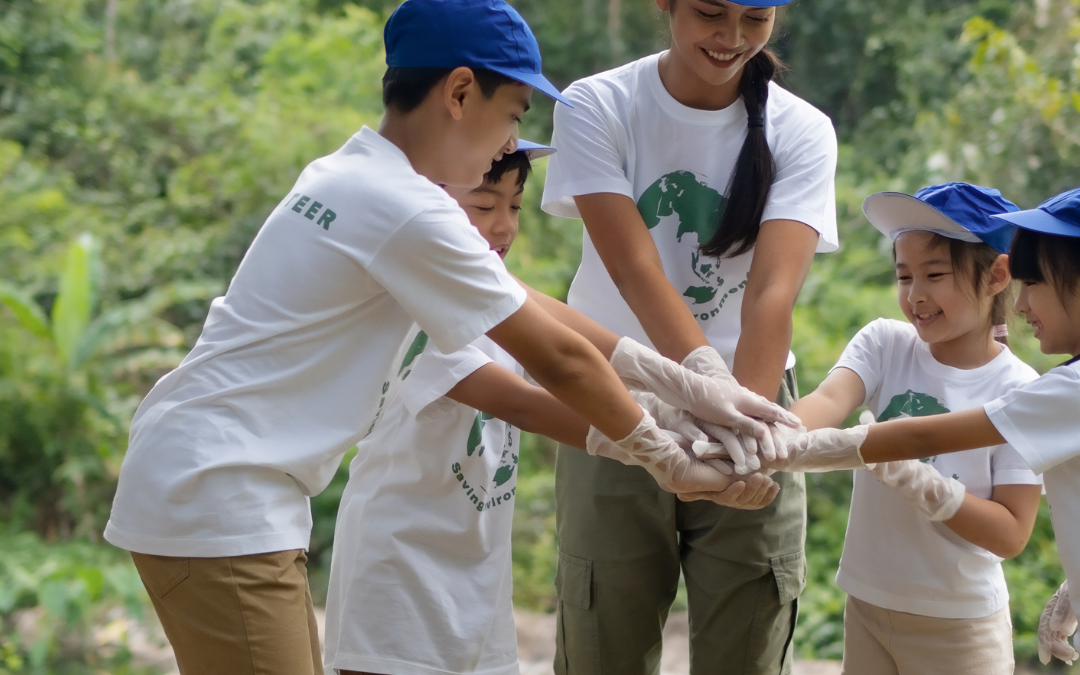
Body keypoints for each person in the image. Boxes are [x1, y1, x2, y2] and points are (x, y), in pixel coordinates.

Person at [101, 2, 791, 673]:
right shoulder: (407, 209)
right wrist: (659, 452)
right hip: (218, 489)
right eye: (514, 114)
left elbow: (532, 307)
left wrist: (692, 385)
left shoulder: (355, 174)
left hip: (218, 480)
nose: (508, 144)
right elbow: (552, 356)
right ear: (461, 91)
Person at [321, 144, 781, 675]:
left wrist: (687, 395)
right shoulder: (408, 303)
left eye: (514, 207)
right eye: (483, 205)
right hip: (397, 564)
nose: (503, 227)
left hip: (475, 567)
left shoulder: (493, 301)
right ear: (429, 209)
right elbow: (522, 402)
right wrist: (666, 448)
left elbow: (576, 342)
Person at [539, 0, 839, 671]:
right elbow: (635, 270)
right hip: (616, 398)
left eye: (756, 20)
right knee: (602, 638)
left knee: (749, 643)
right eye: (710, 12)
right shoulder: (597, 105)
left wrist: (747, 440)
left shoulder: (802, 130)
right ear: (665, 4)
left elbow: (770, 294)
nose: (732, 38)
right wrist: (709, 390)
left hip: (758, 406)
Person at [758, 188, 1080, 667]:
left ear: (996, 276)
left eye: (934, 274)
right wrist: (767, 435)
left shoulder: (1025, 390)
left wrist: (932, 489)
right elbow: (826, 402)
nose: (915, 294)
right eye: (904, 276)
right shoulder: (886, 343)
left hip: (960, 624)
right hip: (868, 602)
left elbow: (1009, 530)